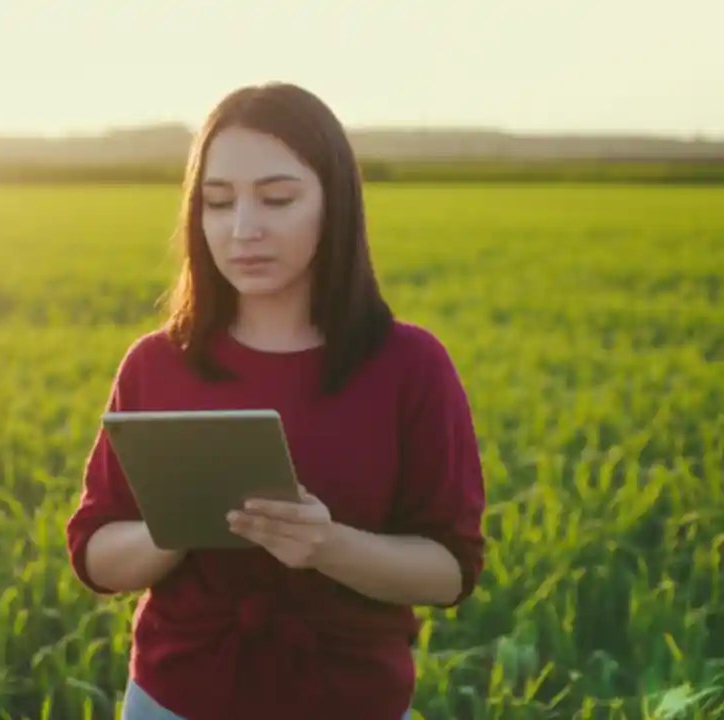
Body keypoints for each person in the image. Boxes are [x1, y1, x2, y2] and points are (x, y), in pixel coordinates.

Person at [63, 81, 487, 720]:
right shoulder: (156, 365)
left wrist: (328, 545)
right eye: (217, 202)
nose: (243, 229)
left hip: (351, 701)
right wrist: (174, 528)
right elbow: (94, 552)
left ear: (334, 204)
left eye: (277, 198)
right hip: (174, 698)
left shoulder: (410, 367)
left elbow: (450, 569)